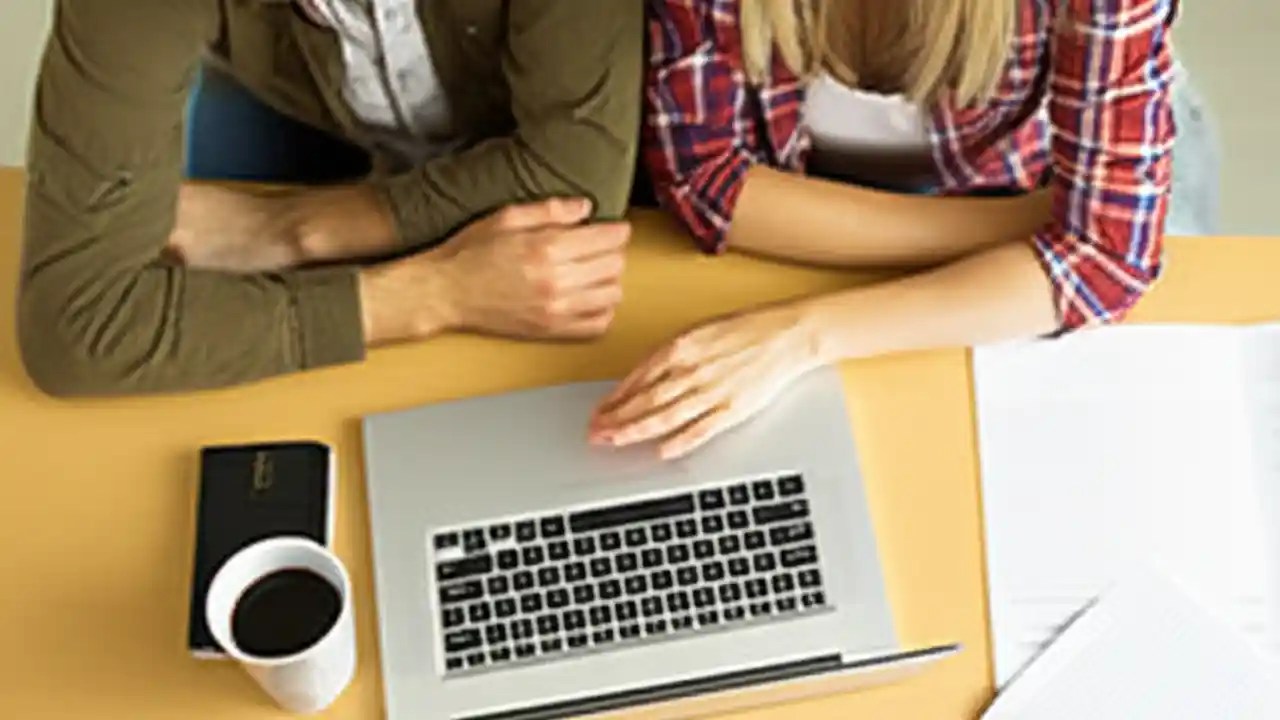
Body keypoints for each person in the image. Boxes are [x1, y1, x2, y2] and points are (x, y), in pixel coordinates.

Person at [591, 0, 1195, 458]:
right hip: (1008, 221)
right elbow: (705, 181)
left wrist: (800, 336)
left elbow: (1107, 261)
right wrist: (1014, 228)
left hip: (1029, 183)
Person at [18, 0, 642, 396]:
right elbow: (77, 325)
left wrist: (293, 229)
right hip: (341, 150)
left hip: (608, 230)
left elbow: (575, 183)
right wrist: (423, 296)